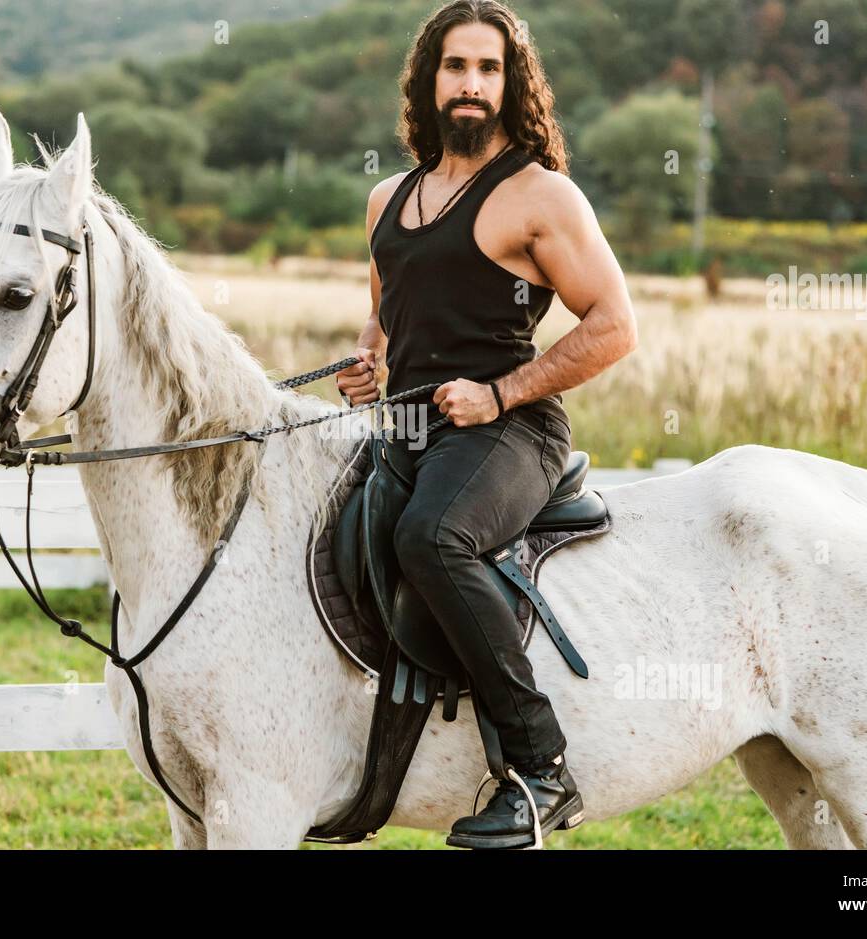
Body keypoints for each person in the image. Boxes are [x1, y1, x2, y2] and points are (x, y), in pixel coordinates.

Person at [336, 0, 636, 849]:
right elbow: (387, 317)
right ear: (429, 79)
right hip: (408, 430)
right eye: (456, 66)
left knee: (433, 537)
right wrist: (369, 363)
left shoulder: (540, 196)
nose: (471, 84)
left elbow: (614, 325)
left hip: (511, 432)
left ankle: (541, 770)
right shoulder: (387, 199)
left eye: (489, 69)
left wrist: (500, 395)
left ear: (512, 84)